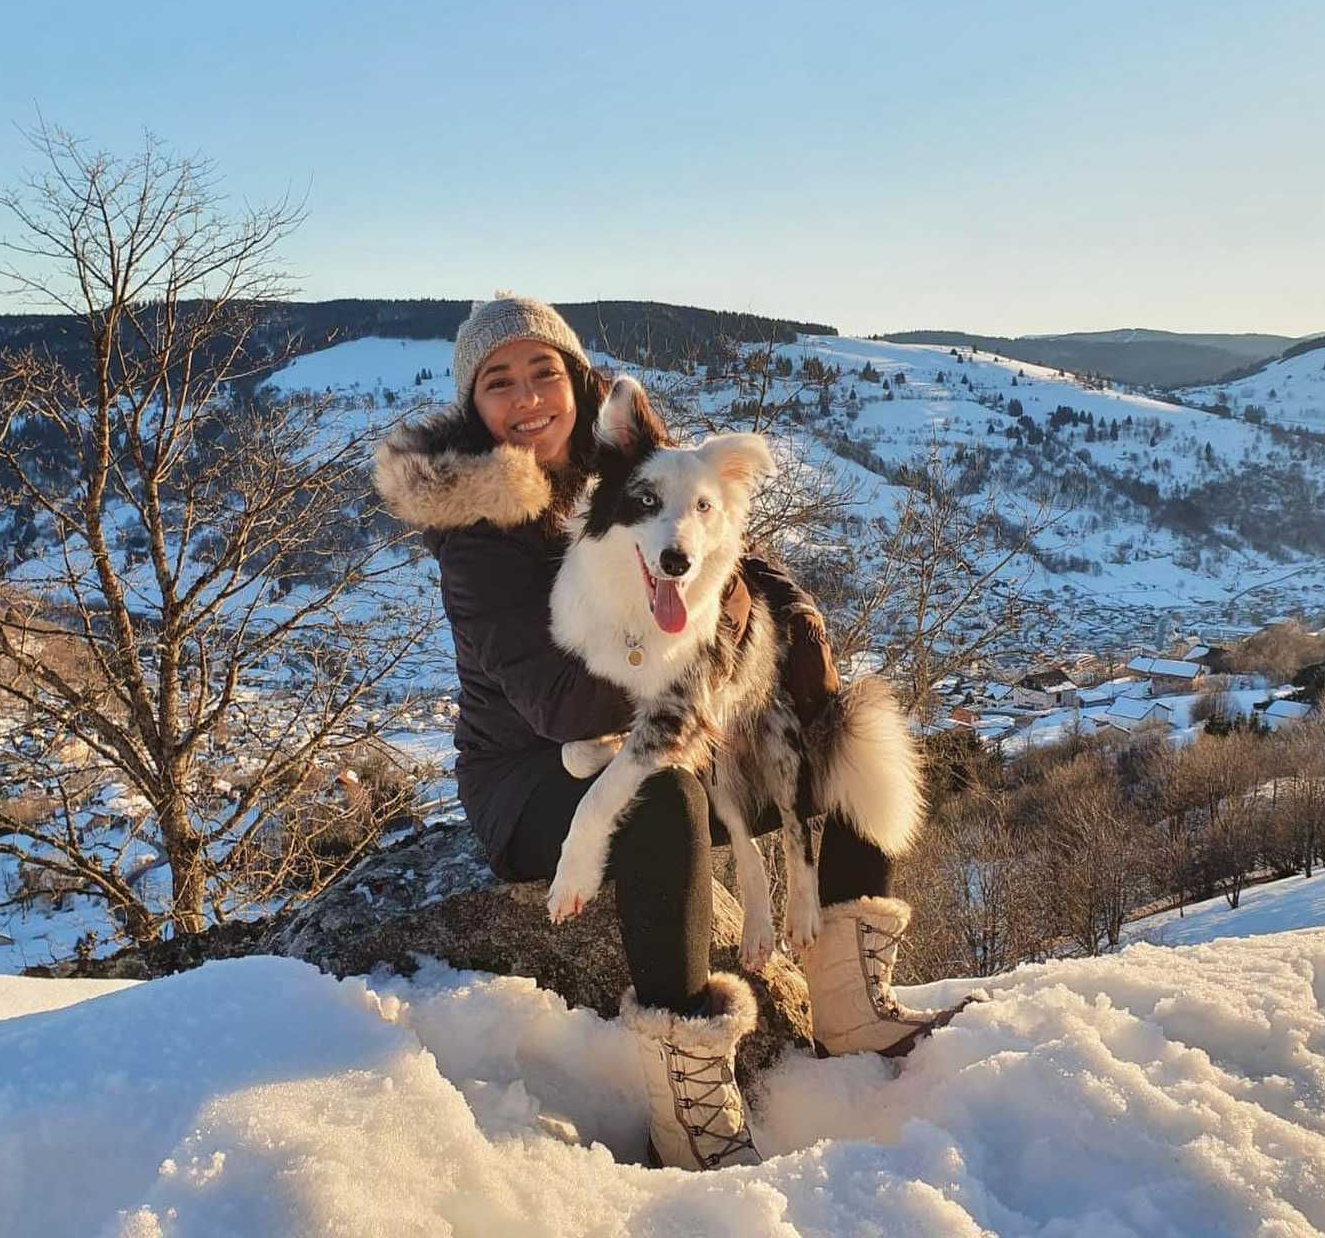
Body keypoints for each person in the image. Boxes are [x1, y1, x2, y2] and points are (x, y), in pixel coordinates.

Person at [374, 294, 949, 1172]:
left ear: (575, 380)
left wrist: (792, 613)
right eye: (499, 382)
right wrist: (706, 642)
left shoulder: (631, 456)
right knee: (662, 801)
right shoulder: (478, 531)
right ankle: (690, 1099)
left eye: (543, 372)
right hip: (529, 777)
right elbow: (562, 707)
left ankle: (849, 1005)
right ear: (473, 403)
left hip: (670, 730)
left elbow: (722, 539)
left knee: (845, 736)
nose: (527, 397)